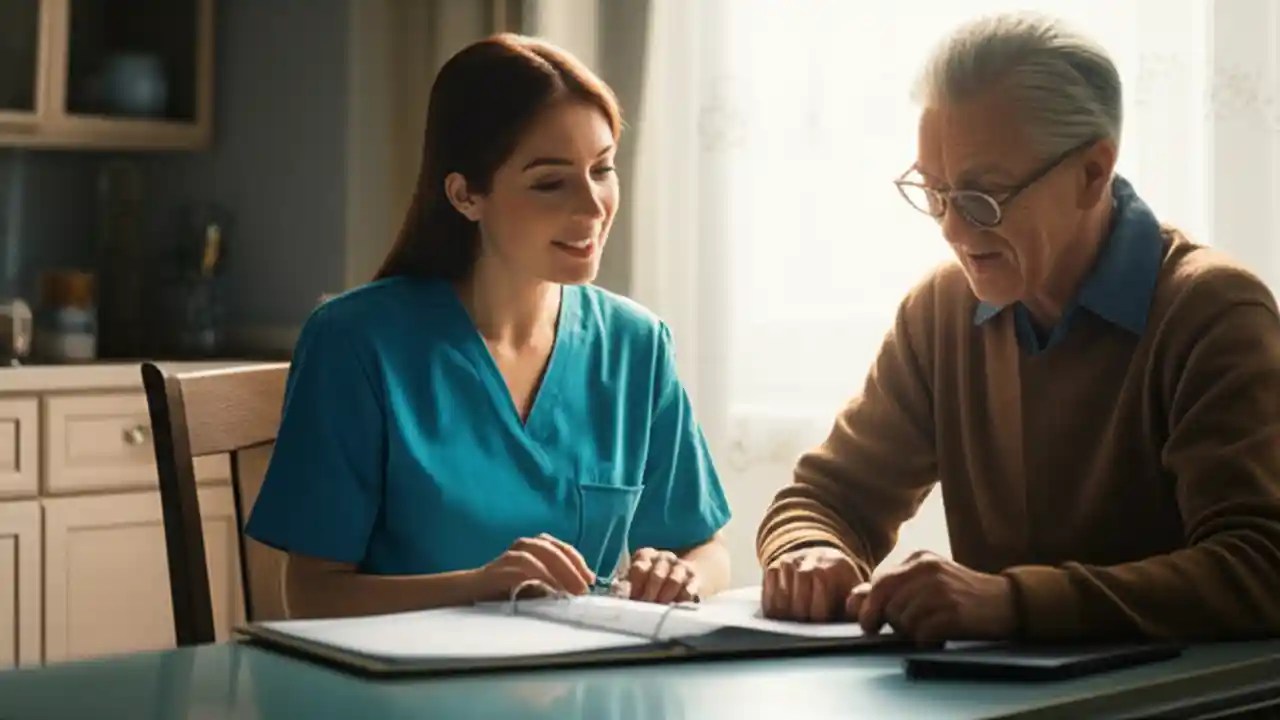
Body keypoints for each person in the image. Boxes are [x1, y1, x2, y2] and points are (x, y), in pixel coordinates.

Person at [756, 12, 1280, 642]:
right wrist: (810, 552)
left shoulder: (1212, 313)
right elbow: (828, 498)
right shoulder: (940, 313)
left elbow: (1260, 566)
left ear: (1093, 172)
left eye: (982, 198)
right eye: (935, 191)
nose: (951, 228)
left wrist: (1012, 602)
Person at [245, 34, 731, 619]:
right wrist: (480, 586)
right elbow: (312, 595)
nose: (594, 205)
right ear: (466, 194)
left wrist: (681, 574)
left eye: (602, 169)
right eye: (551, 181)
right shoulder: (355, 343)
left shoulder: (637, 346)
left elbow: (705, 548)